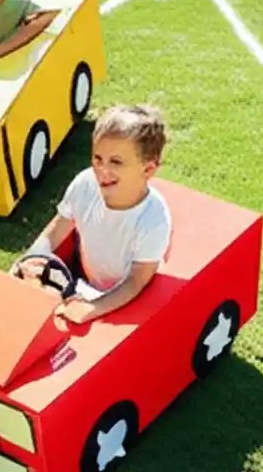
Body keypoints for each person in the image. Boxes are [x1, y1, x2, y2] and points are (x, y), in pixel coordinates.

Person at [17, 105, 173, 324]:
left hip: (132, 299)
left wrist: (93, 308)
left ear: (147, 170)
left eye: (116, 162)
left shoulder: (153, 219)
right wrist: (31, 258)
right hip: (88, 283)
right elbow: (56, 230)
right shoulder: (85, 184)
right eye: (98, 158)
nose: (102, 170)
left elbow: (136, 282)